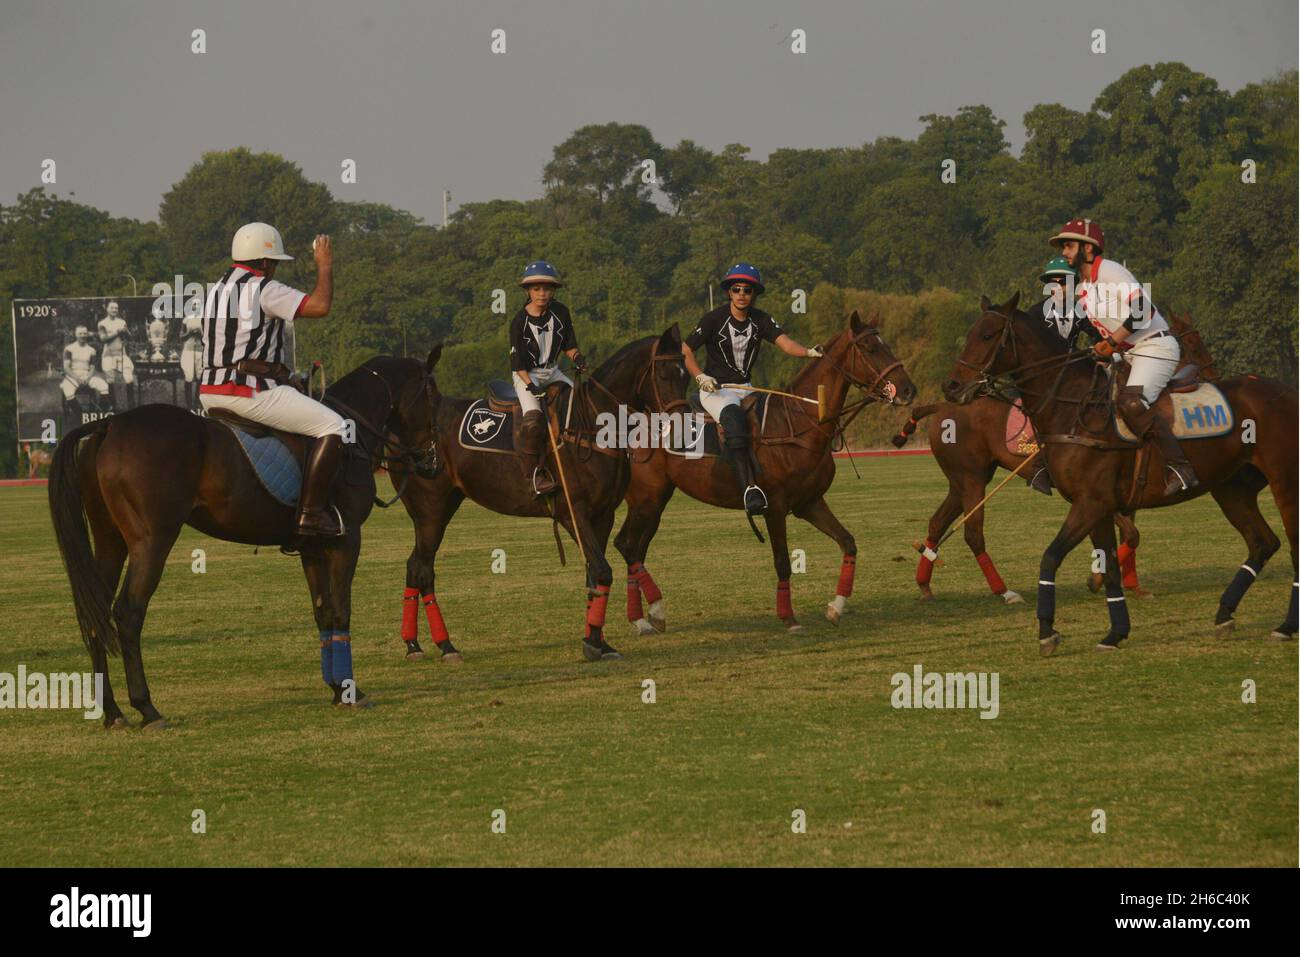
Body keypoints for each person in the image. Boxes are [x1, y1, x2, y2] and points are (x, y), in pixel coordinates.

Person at [198, 222, 346, 536]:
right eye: (275, 262)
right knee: (334, 426)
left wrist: (283, 376)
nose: (275, 268)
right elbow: (320, 307)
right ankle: (311, 514)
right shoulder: (264, 288)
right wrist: (325, 265)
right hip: (248, 392)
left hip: (210, 392)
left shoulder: (215, 289)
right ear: (265, 262)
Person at [1050, 218, 1197, 495]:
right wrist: (1104, 350)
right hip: (1128, 354)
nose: (1064, 252)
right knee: (1091, 398)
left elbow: (1142, 310)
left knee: (1131, 403)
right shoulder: (1085, 287)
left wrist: (1111, 343)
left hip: (1155, 347)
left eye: (1068, 245)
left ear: (1088, 248)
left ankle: (1180, 467)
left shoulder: (1109, 270)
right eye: (1063, 247)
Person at [681, 262, 822, 516]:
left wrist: (809, 352)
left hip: (746, 388)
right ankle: (749, 489)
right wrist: (700, 377)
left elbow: (786, 344)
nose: (742, 294)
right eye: (737, 289)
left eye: (747, 290)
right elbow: (686, 349)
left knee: (774, 418)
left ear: (754, 293)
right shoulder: (713, 319)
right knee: (734, 420)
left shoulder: (761, 319)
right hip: (716, 389)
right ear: (729, 292)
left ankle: (775, 478)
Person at [508, 260, 587, 495]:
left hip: (553, 371)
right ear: (527, 291)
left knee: (582, 403)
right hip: (527, 374)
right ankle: (534, 475)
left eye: (547, 289)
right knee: (533, 421)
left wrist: (578, 358)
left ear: (553, 291)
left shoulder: (561, 312)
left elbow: (569, 345)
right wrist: (531, 386)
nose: (542, 294)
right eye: (536, 289)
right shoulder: (518, 322)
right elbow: (517, 364)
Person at [97, 300, 136, 409]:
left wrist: (126, 332)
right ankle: (112, 407)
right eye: (112, 308)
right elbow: (103, 339)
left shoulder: (122, 322)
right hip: (108, 355)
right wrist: (117, 332)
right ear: (107, 309)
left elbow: (130, 338)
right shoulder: (102, 323)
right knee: (110, 381)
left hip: (122, 354)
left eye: (116, 308)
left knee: (129, 378)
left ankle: (132, 406)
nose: (114, 310)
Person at [61, 324, 110, 406]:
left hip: (87, 376)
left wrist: (88, 378)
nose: (82, 336)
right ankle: (79, 413)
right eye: (80, 333)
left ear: (87, 334)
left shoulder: (91, 350)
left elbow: (92, 368)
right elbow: (66, 367)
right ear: (76, 334)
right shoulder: (69, 349)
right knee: (68, 390)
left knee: (104, 386)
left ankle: (102, 409)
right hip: (73, 377)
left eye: (84, 333)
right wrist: (77, 378)